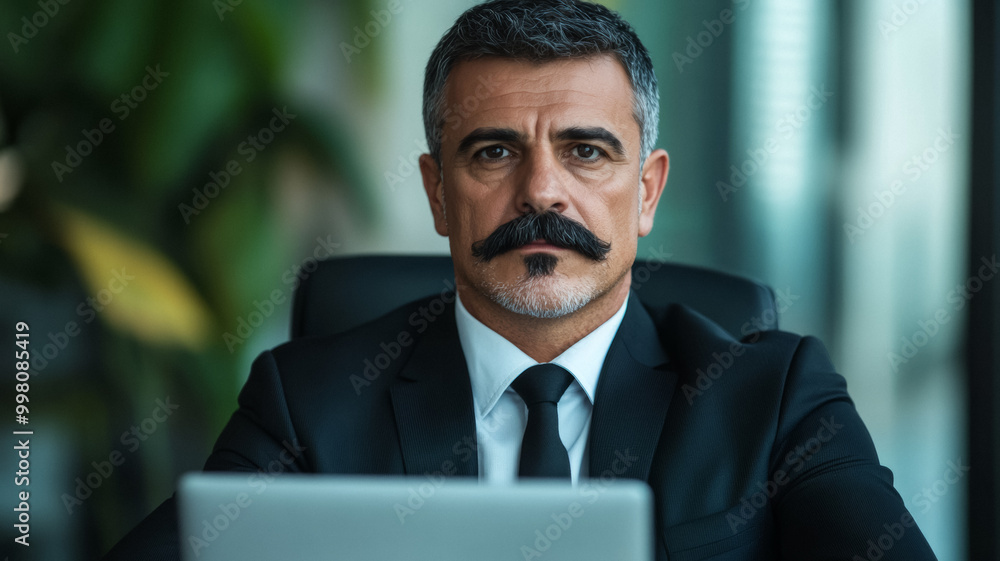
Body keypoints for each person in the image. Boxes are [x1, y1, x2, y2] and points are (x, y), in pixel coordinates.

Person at [106, 1, 937, 559]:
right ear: (438, 192)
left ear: (645, 191)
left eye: (586, 150)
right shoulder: (306, 403)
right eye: (494, 151)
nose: (541, 190)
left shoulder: (777, 396)